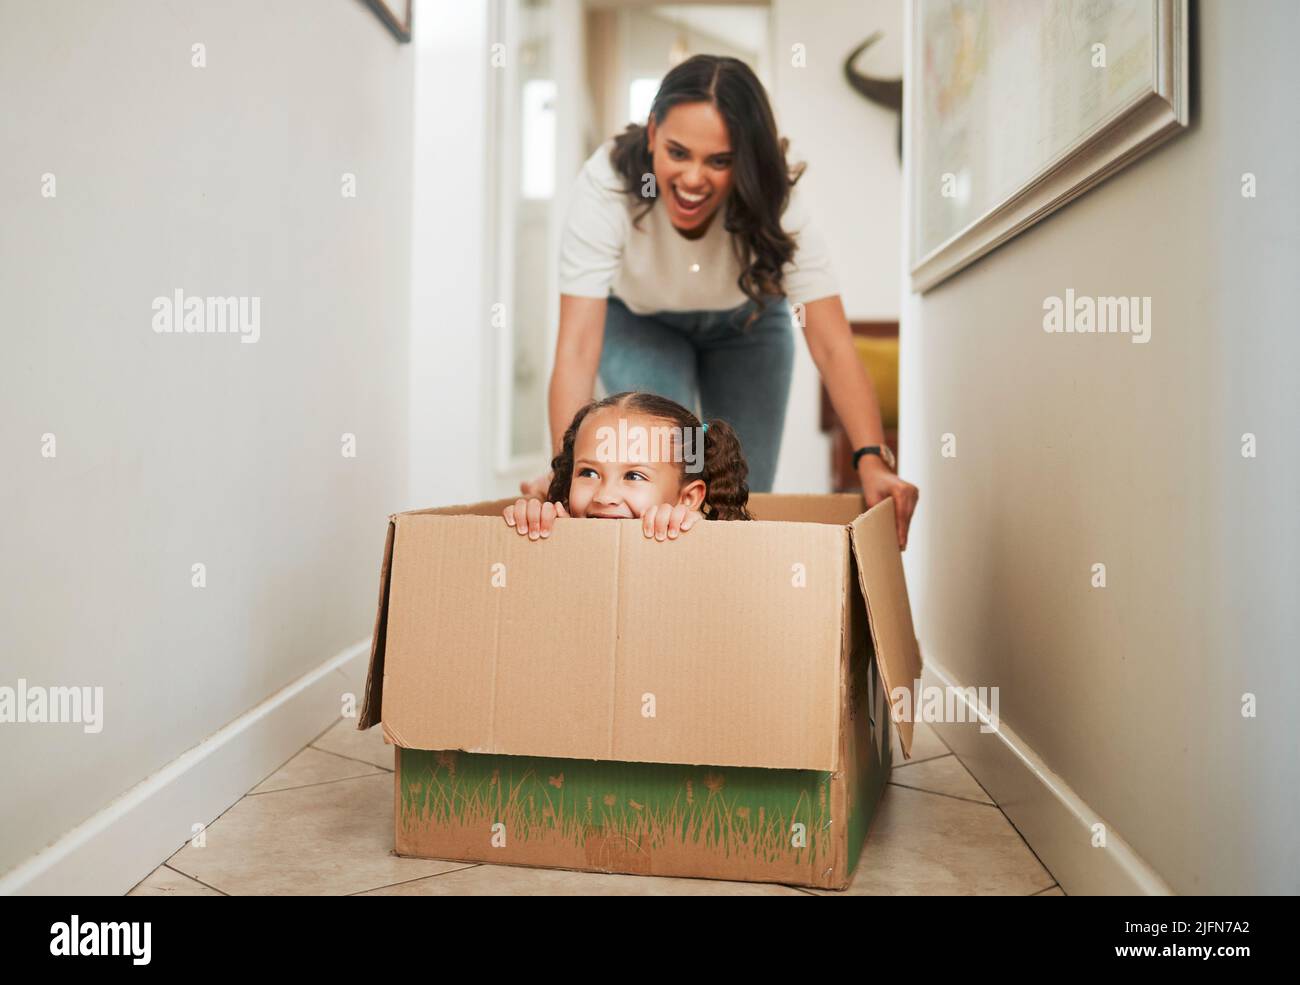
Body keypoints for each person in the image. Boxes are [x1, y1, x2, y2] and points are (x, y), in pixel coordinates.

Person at [525, 54, 919, 549]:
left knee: (734, 499)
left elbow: (833, 344)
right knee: (649, 479)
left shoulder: (776, 199)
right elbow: (578, 348)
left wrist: (871, 459)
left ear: (747, 160)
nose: (693, 179)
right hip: (642, 322)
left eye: (720, 161)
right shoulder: (606, 185)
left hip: (748, 324)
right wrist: (563, 480)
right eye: (677, 152)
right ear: (651, 134)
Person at [504, 390, 754, 541]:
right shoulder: (561, 521)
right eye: (588, 472)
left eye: (634, 476)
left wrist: (693, 531)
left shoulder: (689, 526)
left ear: (687, 498)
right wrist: (534, 520)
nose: (605, 496)